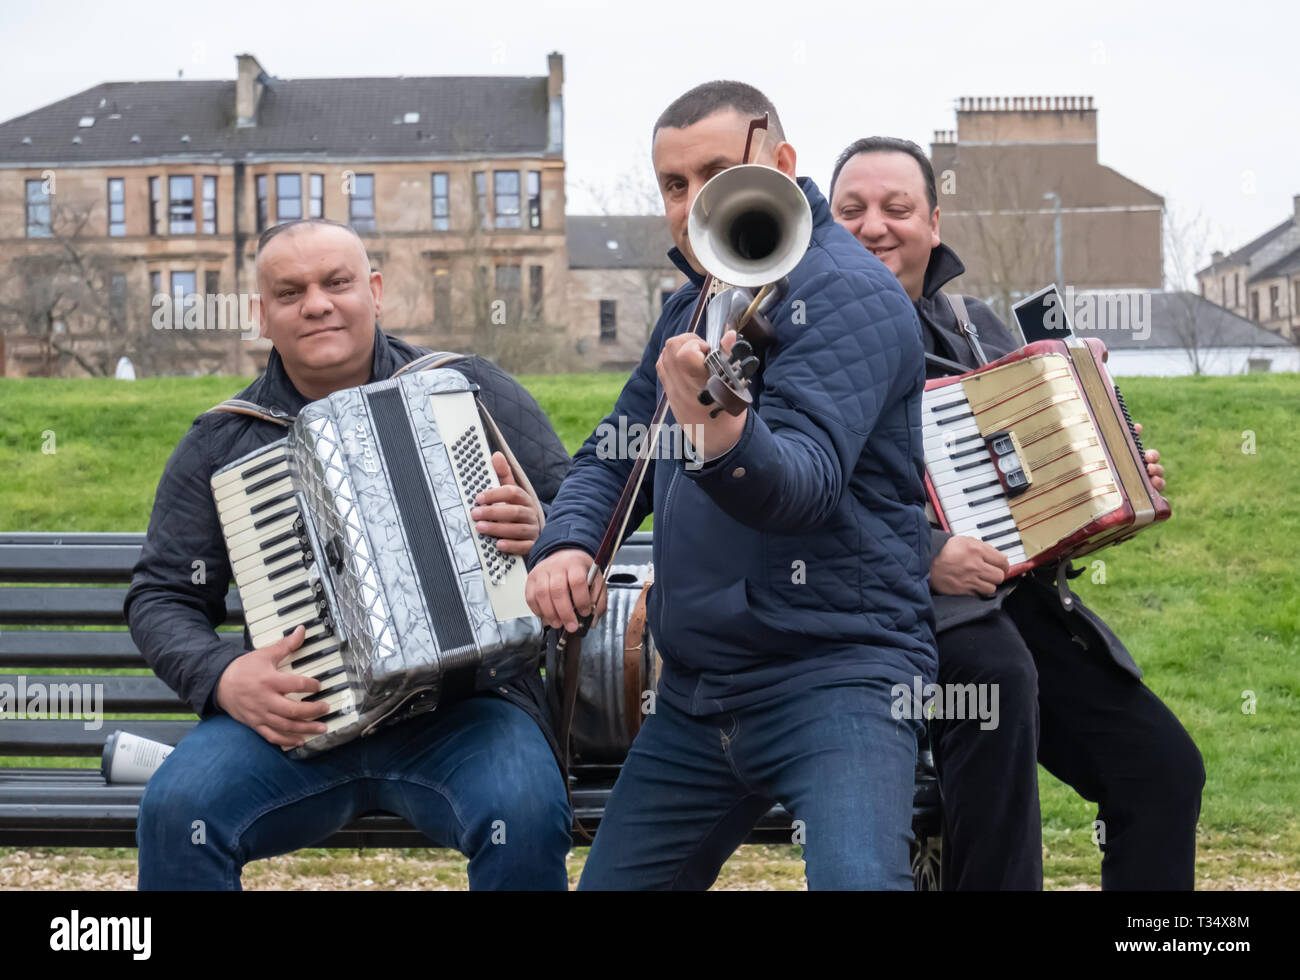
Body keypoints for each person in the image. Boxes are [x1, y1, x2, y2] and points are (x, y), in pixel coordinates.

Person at [525, 83, 937, 890]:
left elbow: (806, 485)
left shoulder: (853, 294)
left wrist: (722, 439)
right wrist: (568, 540)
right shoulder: (694, 302)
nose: (690, 204)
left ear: (781, 164)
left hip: (838, 680)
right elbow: (615, 452)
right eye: (673, 186)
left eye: (715, 173)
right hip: (697, 696)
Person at [125, 217, 574, 890]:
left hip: (472, 710)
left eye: (336, 282)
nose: (316, 303)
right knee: (177, 810)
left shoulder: (467, 387)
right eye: (290, 291)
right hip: (300, 722)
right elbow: (162, 594)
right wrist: (222, 676)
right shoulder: (222, 442)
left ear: (374, 290)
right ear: (261, 314)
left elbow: (586, 515)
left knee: (527, 813)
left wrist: (548, 532)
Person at [828, 136, 1205, 890]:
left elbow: (1031, 505)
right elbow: (791, 500)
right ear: (825, 228)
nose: (875, 226)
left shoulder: (975, 329)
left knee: (1163, 772)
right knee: (996, 684)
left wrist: (1106, 494)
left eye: (897, 208)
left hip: (1006, 604)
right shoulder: (798, 338)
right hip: (879, 618)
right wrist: (927, 549)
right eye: (852, 210)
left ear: (934, 223)